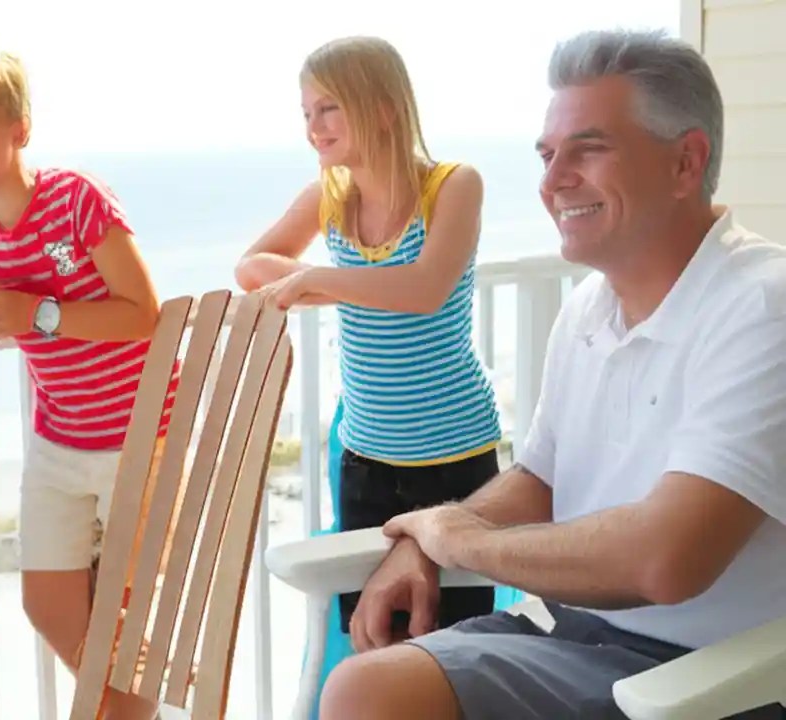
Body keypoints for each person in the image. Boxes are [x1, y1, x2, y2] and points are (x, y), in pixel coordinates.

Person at [318, 29, 786, 720]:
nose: (552, 180)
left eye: (588, 149)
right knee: (367, 688)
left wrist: (463, 541)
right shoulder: (588, 310)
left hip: (712, 679)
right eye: (547, 155)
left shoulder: (762, 305)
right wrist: (425, 536)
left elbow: (667, 560)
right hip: (572, 641)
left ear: (686, 163)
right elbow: (540, 479)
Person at [0, 44, 168, 719]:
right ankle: (129, 709)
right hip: (60, 437)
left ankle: (124, 711)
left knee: (126, 601)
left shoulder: (72, 202)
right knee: (46, 601)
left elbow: (142, 315)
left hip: (141, 432)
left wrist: (34, 312)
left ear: (18, 128)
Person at [234, 35, 502, 651]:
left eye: (328, 108)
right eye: (306, 112)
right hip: (367, 462)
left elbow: (426, 288)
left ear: (382, 107)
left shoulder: (453, 186)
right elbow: (250, 267)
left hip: (455, 457)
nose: (313, 128)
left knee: (455, 644)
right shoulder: (328, 195)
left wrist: (321, 280)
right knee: (372, 636)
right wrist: (341, 290)